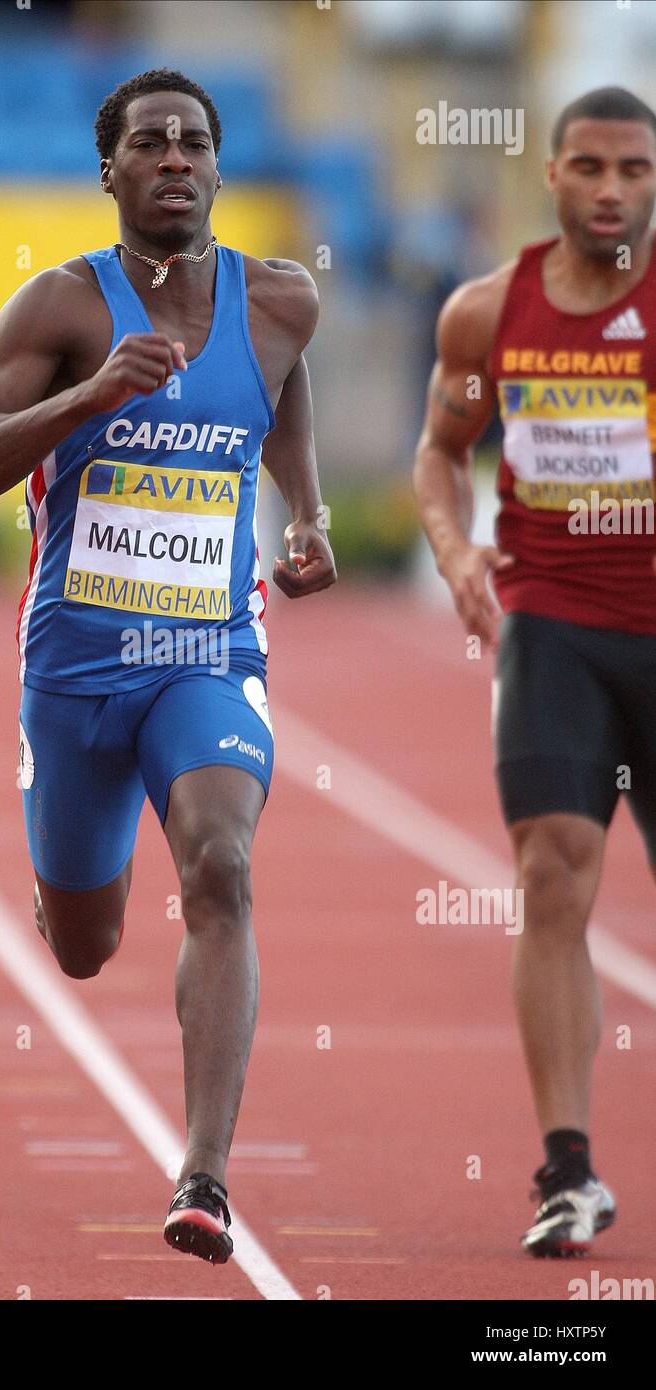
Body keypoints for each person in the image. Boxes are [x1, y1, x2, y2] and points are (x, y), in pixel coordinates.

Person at [0, 68, 335, 1263]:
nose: (173, 158)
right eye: (147, 142)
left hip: (205, 652)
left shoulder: (280, 300)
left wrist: (303, 511)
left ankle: (204, 1173)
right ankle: (67, 890)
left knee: (221, 863)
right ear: (106, 171)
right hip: (74, 669)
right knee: (84, 946)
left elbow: (283, 381)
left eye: (194, 142)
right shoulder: (60, 309)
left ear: (217, 165)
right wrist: (91, 395)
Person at [414, 87, 656, 1258]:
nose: (615, 189)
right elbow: (440, 451)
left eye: (638, 170)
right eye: (593, 167)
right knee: (552, 873)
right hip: (553, 621)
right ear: (552, 177)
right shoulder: (485, 314)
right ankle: (568, 1168)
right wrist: (458, 552)